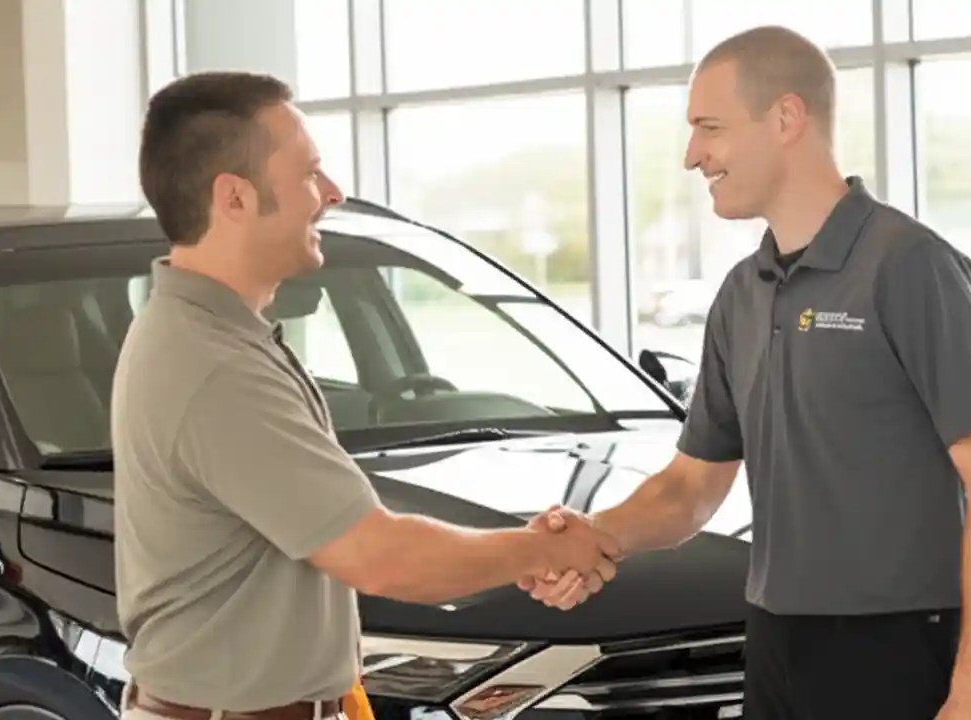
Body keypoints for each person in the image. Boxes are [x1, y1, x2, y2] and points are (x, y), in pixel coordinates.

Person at [524, 26, 971, 720]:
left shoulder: (909, 266)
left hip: (899, 649)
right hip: (773, 642)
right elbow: (691, 487)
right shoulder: (741, 293)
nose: (691, 155)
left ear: (786, 118)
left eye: (710, 128)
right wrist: (593, 536)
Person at [112, 71, 620, 720]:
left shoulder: (216, 338)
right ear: (234, 198)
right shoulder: (213, 367)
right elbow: (380, 558)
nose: (331, 193)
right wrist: (543, 548)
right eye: (309, 174)